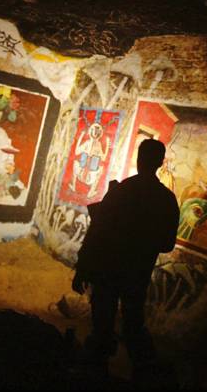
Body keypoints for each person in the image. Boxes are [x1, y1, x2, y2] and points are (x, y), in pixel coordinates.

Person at [72, 139, 180, 374]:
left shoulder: (120, 192)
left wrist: (82, 268)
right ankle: (144, 374)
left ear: (139, 159)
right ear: (160, 163)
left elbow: (96, 232)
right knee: (133, 325)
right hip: (137, 273)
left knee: (102, 327)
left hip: (107, 270)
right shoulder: (167, 200)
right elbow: (167, 244)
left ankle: (93, 375)